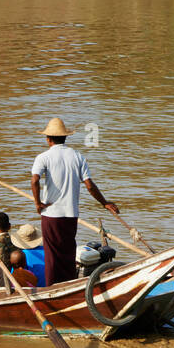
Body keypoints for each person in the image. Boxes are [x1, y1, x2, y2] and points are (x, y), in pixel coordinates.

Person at [30, 118, 120, 286]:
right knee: (67, 253)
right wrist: (104, 202)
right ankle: (69, 285)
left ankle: (52, 288)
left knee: (52, 256)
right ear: (65, 137)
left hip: (51, 215)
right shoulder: (78, 156)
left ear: (48, 138)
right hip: (70, 215)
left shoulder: (43, 157)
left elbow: (34, 181)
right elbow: (90, 186)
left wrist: (38, 203)